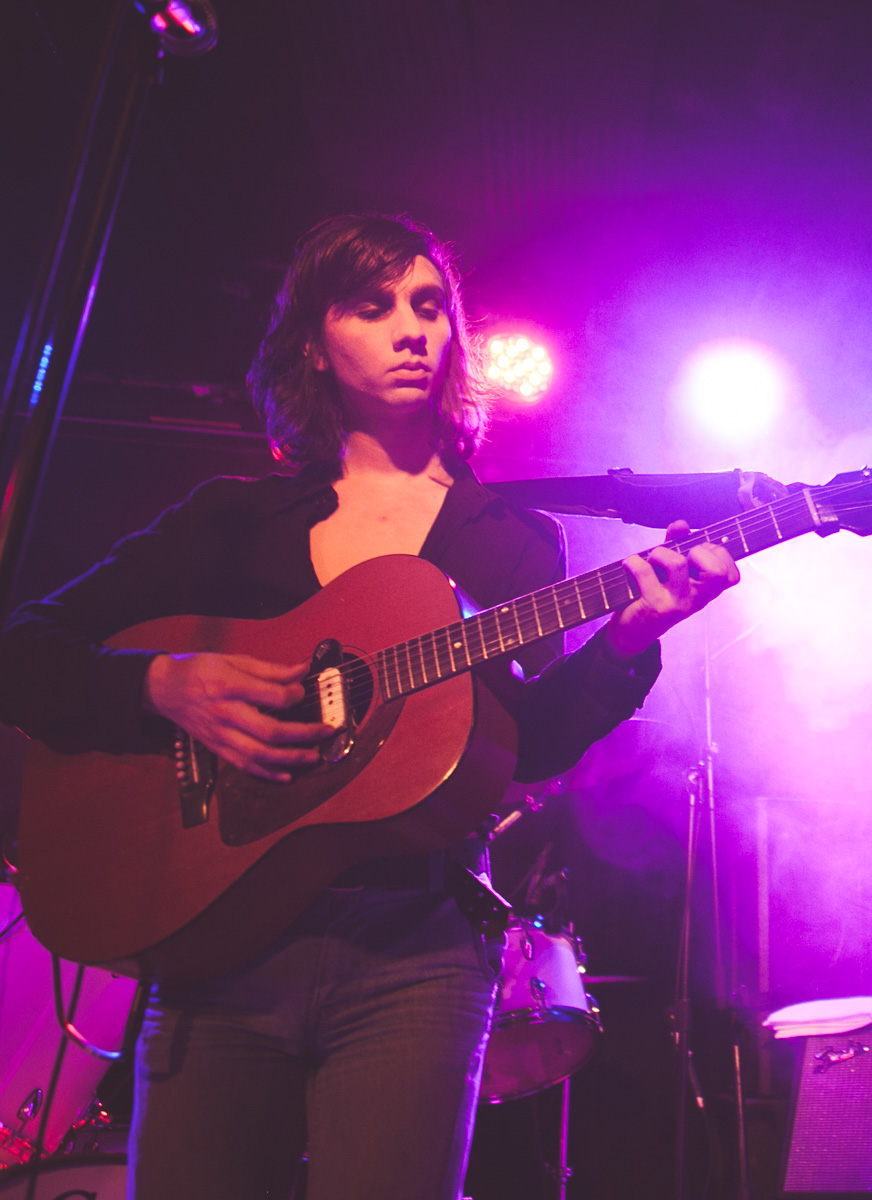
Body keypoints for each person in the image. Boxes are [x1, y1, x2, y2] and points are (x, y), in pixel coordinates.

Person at [0, 214, 748, 1199]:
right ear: (314, 341)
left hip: (418, 951)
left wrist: (627, 640)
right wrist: (157, 682)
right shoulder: (232, 521)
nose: (413, 329)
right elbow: (24, 647)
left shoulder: (510, 542)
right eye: (374, 305)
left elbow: (526, 749)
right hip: (218, 943)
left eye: (431, 306)